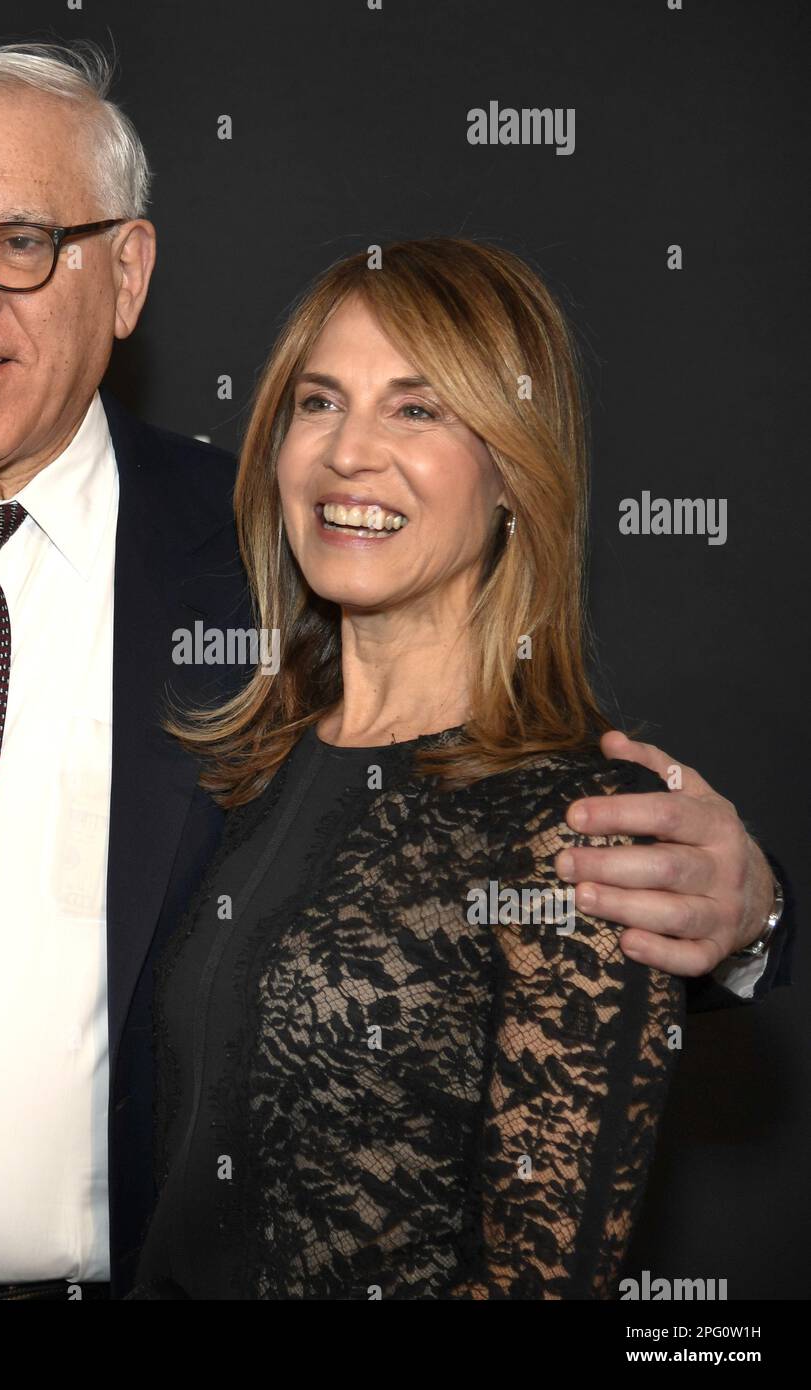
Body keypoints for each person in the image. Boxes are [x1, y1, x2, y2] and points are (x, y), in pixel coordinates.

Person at [0, 42, 791, 1302]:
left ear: (126, 273)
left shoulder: (277, 557)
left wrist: (741, 923)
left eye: (21, 241)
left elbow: (450, 852)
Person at [126, 238, 763, 1299]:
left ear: (515, 466)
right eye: (319, 402)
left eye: (417, 410)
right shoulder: (242, 768)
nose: (348, 455)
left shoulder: (579, 826)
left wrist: (762, 907)